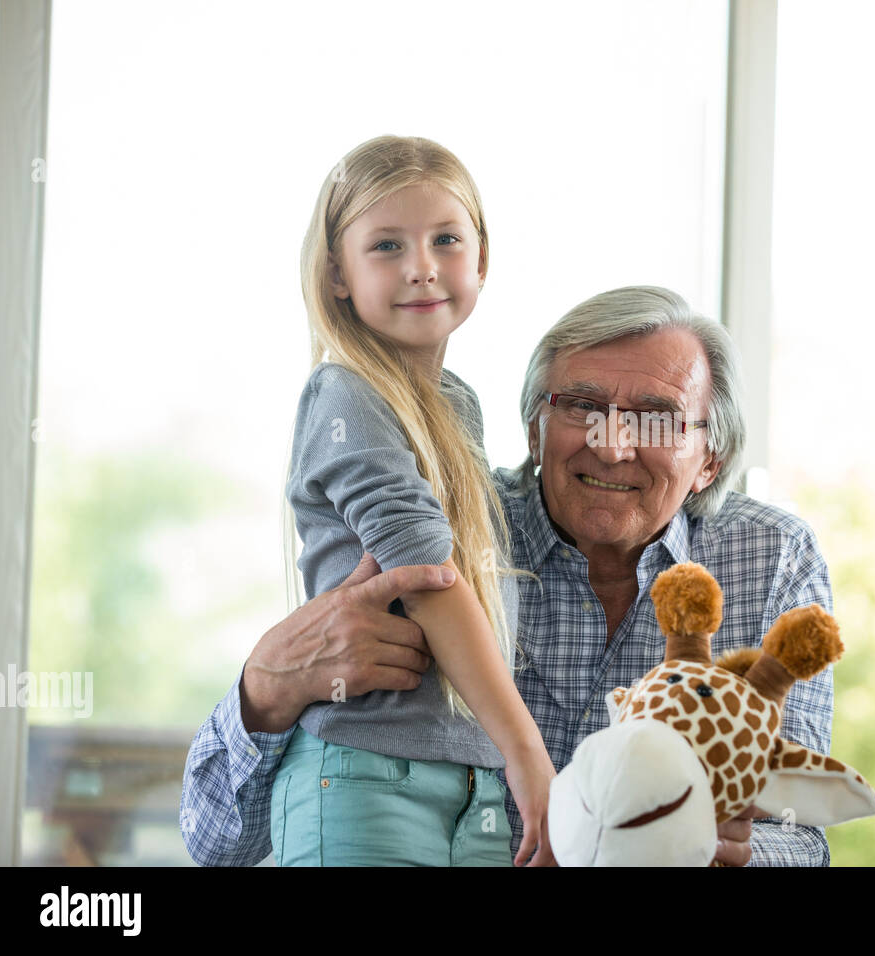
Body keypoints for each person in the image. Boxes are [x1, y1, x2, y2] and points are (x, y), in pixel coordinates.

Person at [182, 286, 837, 866]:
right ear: (534, 428)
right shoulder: (443, 540)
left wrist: (713, 851)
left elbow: (804, 833)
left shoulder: (773, 558)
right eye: (581, 405)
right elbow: (218, 844)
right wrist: (269, 690)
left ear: (710, 460)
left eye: (656, 417)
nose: (611, 444)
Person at [266, 134, 555, 866]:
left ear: (481, 261)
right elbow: (430, 577)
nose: (422, 267)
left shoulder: (458, 405)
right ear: (337, 274)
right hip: (364, 778)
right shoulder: (344, 392)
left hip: (471, 784)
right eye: (387, 246)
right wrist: (527, 752)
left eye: (446, 240)